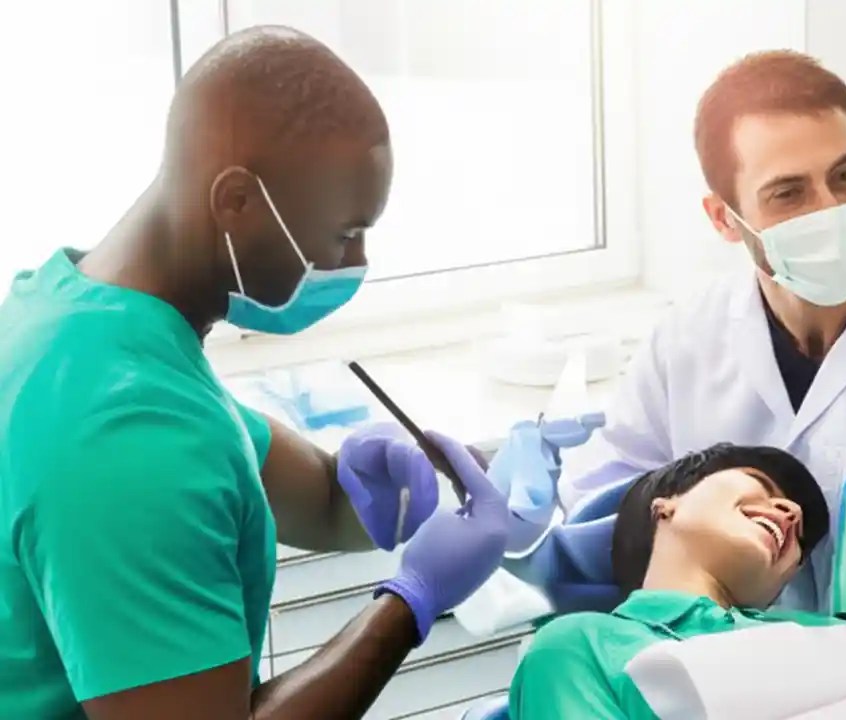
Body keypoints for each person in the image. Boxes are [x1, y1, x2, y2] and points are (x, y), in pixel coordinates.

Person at [501, 49, 846, 716]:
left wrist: (818, 670)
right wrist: (521, 533)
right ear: (725, 218)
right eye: (790, 193)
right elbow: (618, 517)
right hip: (704, 683)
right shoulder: (686, 342)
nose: (831, 209)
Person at [0, 27, 510, 718]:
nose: (355, 261)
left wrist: (377, 490)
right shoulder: (125, 441)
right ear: (236, 202)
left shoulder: (79, 317)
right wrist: (411, 601)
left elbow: (318, 500)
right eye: (342, 235)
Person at [509, 444, 846, 719]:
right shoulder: (583, 647)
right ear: (667, 502)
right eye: (761, 486)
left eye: (802, 538)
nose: (791, 513)